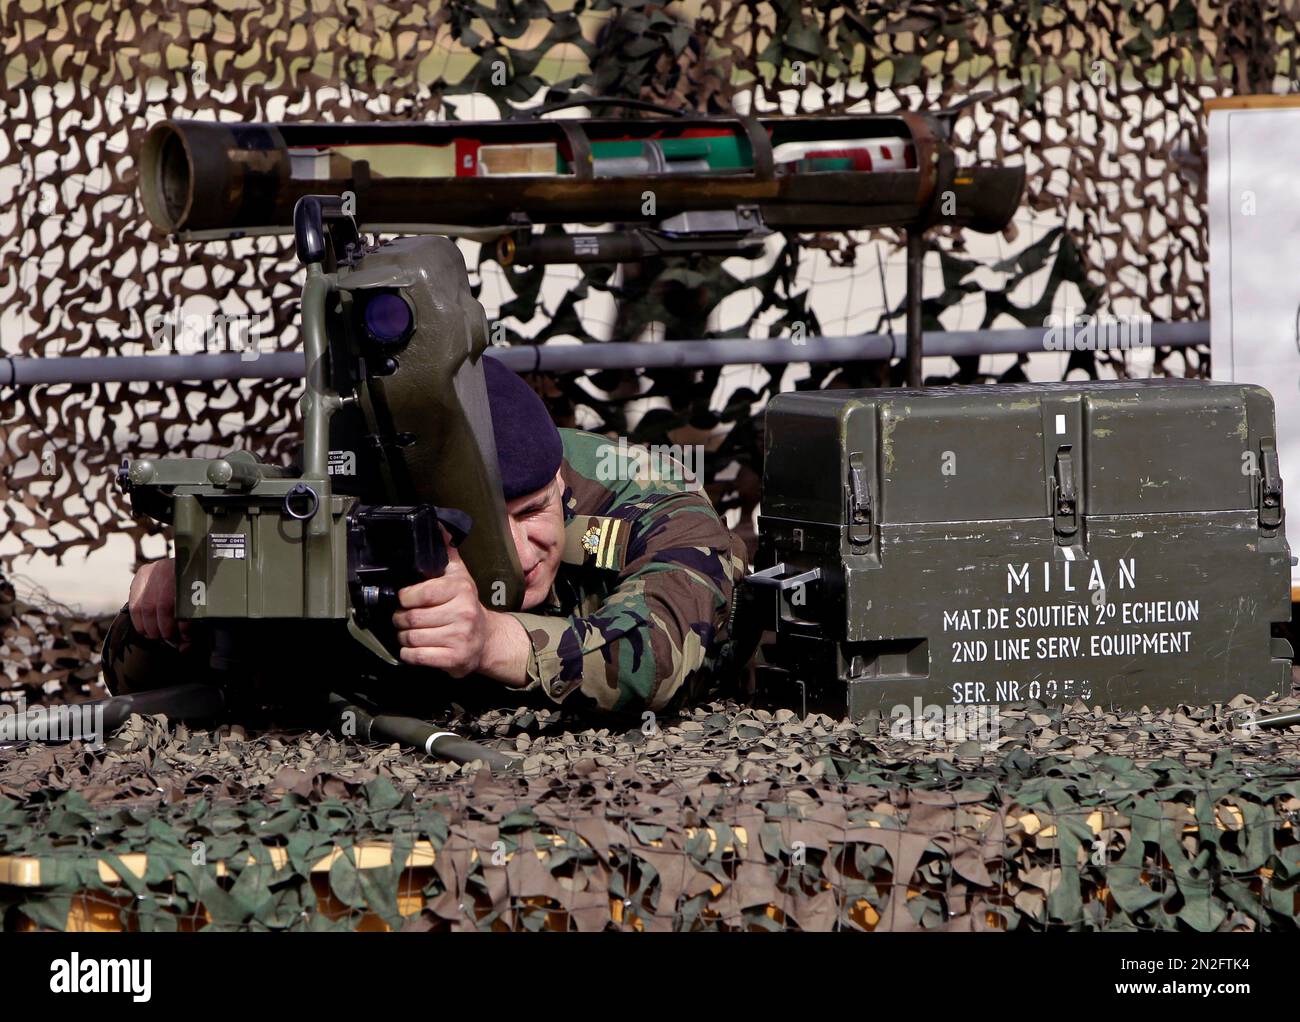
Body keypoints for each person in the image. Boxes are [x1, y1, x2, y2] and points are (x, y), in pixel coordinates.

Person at [107, 356, 750, 716]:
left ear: (560, 481)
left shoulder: (649, 498)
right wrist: (179, 605)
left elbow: (667, 650)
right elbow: (136, 678)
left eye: (532, 515)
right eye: (476, 532)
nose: (520, 555)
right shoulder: (359, 512)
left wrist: (496, 643)